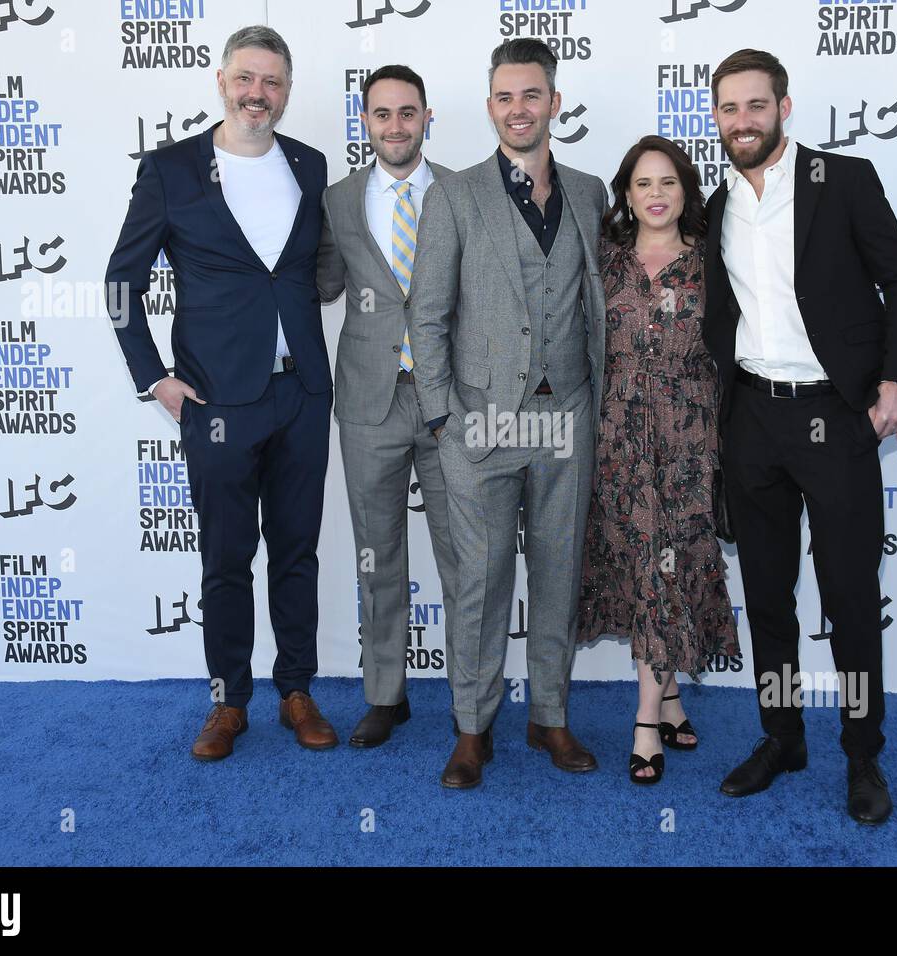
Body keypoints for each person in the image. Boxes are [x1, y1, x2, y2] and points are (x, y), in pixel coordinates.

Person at [703, 49, 897, 824]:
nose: (743, 122)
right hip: (753, 420)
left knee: (850, 600)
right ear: (717, 118)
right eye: (729, 110)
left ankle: (862, 755)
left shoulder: (845, 181)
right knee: (766, 598)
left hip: (835, 416)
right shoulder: (713, 206)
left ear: (784, 108)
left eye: (755, 106)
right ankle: (781, 734)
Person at [105, 25, 338, 760]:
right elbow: (121, 284)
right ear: (220, 80)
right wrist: (155, 379)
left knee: (297, 550)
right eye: (245, 78)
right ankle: (228, 700)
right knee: (225, 558)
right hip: (215, 403)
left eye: (271, 81)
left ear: (287, 90)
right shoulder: (172, 169)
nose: (256, 94)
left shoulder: (309, 163)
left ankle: (296, 690)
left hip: (301, 391)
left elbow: (308, 270)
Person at [409, 38, 607, 789]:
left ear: (555, 103)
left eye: (532, 95)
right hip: (481, 427)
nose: (518, 109)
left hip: (568, 423)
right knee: (480, 585)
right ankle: (471, 728)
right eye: (504, 96)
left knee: (558, 575)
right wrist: (442, 423)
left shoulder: (590, 192)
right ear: (489, 105)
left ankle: (549, 715)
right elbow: (426, 316)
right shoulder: (455, 194)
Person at [576, 136, 739, 785]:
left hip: (689, 445)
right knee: (643, 568)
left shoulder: (710, 264)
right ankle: (663, 701)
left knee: (664, 571)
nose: (655, 195)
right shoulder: (606, 262)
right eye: (643, 184)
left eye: (667, 182)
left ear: (685, 191)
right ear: (627, 194)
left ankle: (648, 717)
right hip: (617, 441)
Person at [316, 65, 458, 748]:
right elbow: (315, 283)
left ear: (427, 117)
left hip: (451, 402)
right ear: (365, 122)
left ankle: (473, 703)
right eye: (381, 114)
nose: (395, 126)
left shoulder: (465, 194)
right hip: (369, 402)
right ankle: (384, 694)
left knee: (467, 559)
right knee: (378, 556)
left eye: (407, 113)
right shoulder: (338, 201)